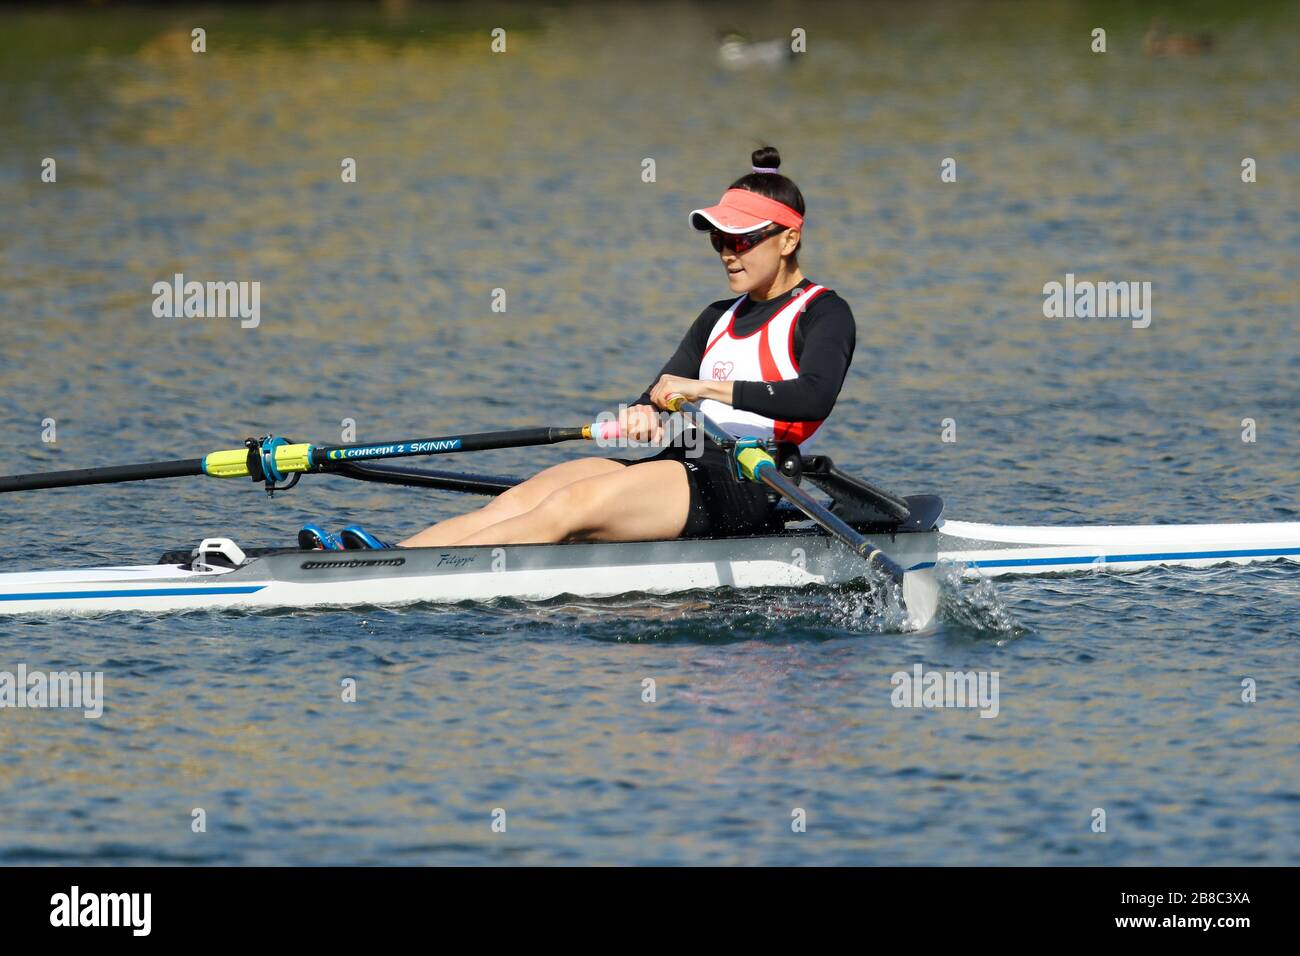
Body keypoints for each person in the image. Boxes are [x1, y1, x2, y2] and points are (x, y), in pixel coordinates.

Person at [310, 146, 856, 552]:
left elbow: (812, 398)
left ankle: (407, 573)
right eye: (718, 241)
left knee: (571, 507)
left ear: (788, 239)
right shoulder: (717, 317)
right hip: (680, 466)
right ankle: (391, 559)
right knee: (531, 494)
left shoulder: (824, 313)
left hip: (746, 483)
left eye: (741, 240)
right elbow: (658, 395)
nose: (726, 254)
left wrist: (703, 389)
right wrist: (646, 411)